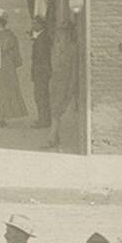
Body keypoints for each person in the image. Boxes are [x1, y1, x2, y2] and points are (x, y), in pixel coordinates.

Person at [0, 9, 28, 126]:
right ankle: (1, 114)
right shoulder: (10, 35)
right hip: (8, 64)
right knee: (6, 88)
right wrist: (16, 62)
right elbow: (16, 52)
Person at [46, 20, 80, 149]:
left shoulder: (73, 49)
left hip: (66, 82)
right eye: (60, 33)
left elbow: (74, 69)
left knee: (60, 109)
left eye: (64, 33)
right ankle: (55, 137)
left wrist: (72, 86)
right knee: (54, 108)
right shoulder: (57, 47)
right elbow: (53, 64)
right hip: (56, 81)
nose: (62, 36)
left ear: (69, 34)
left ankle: (53, 136)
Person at [30, 15, 53, 129]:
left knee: (40, 96)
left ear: (41, 25)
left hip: (41, 73)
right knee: (42, 96)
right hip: (42, 72)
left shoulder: (42, 39)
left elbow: (41, 57)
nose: (32, 25)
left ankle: (43, 120)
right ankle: (44, 119)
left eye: (34, 23)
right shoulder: (42, 37)